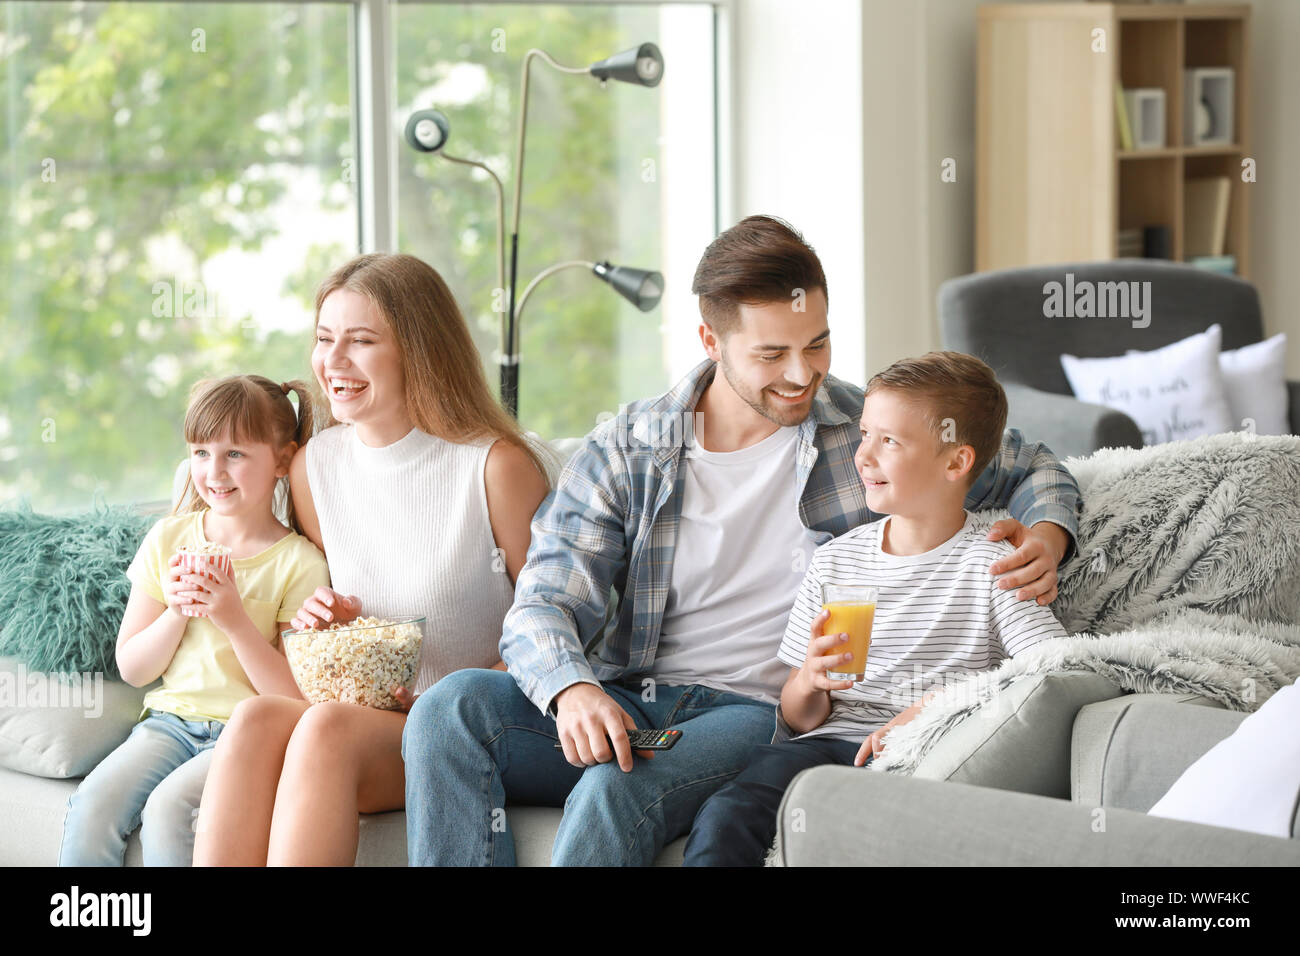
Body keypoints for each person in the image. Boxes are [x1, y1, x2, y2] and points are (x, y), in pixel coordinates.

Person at [402, 215, 1082, 866]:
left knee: (618, 784)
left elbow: (1033, 465)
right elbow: (542, 602)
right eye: (772, 353)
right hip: (630, 696)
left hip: (753, 713)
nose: (802, 373)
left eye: (816, 342)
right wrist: (572, 689)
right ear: (710, 341)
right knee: (447, 712)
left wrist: (1047, 538)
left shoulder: (863, 430)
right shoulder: (629, 448)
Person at [192, 253, 550, 866]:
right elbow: (346, 618)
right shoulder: (314, 466)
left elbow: (560, 623)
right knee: (254, 719)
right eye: (325, 339)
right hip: (373, 717)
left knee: (326, 729)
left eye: (361, 341)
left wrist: (456, 693)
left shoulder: (495, 467)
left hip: (471, 724)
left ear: (419, 351)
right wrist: (324, 622)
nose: (333, 362)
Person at [682, 350, 1071, 865]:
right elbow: (800, 717)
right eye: (865, 434)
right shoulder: (835, 562)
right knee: (727, 814)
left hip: (927, 752)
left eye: (889, 441)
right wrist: (809, 683)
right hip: (826, 747)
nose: (863, 455)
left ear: (957, 462)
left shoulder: (994, 565)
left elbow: (1056, 666)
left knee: (863, 835)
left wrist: (929, 713)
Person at [58, 375, 329, 866]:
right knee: (93, 803)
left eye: (236, 454)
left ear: (283, 461)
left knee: (169, 811)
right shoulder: (169, 539)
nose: (215, 471)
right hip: (168, 725)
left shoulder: (300, 564)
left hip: (244, 738)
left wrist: (233, 619)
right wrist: (178, 612)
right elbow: (134, 669)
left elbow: (294, 697)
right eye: (201, 453)